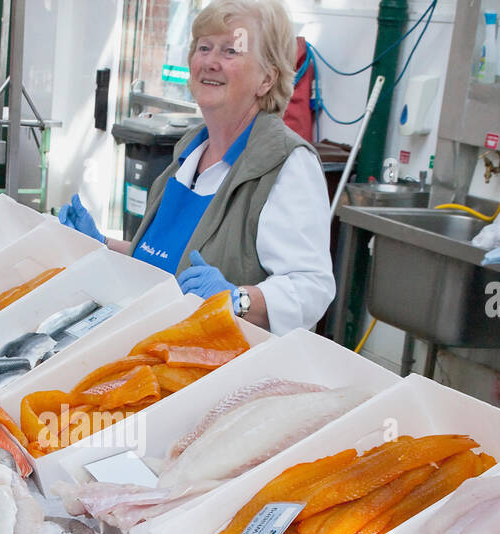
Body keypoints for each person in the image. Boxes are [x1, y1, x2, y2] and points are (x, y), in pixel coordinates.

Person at [59, 0, 334, 334]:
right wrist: (101, 245)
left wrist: (237, 300)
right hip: (151, 342)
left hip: (218, 372)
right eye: (204, 47)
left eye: (231, 51)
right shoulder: (188, 151)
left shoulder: (286, 163)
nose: (211, 62)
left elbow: (311, 288)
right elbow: (165, 263)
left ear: (267, 78)